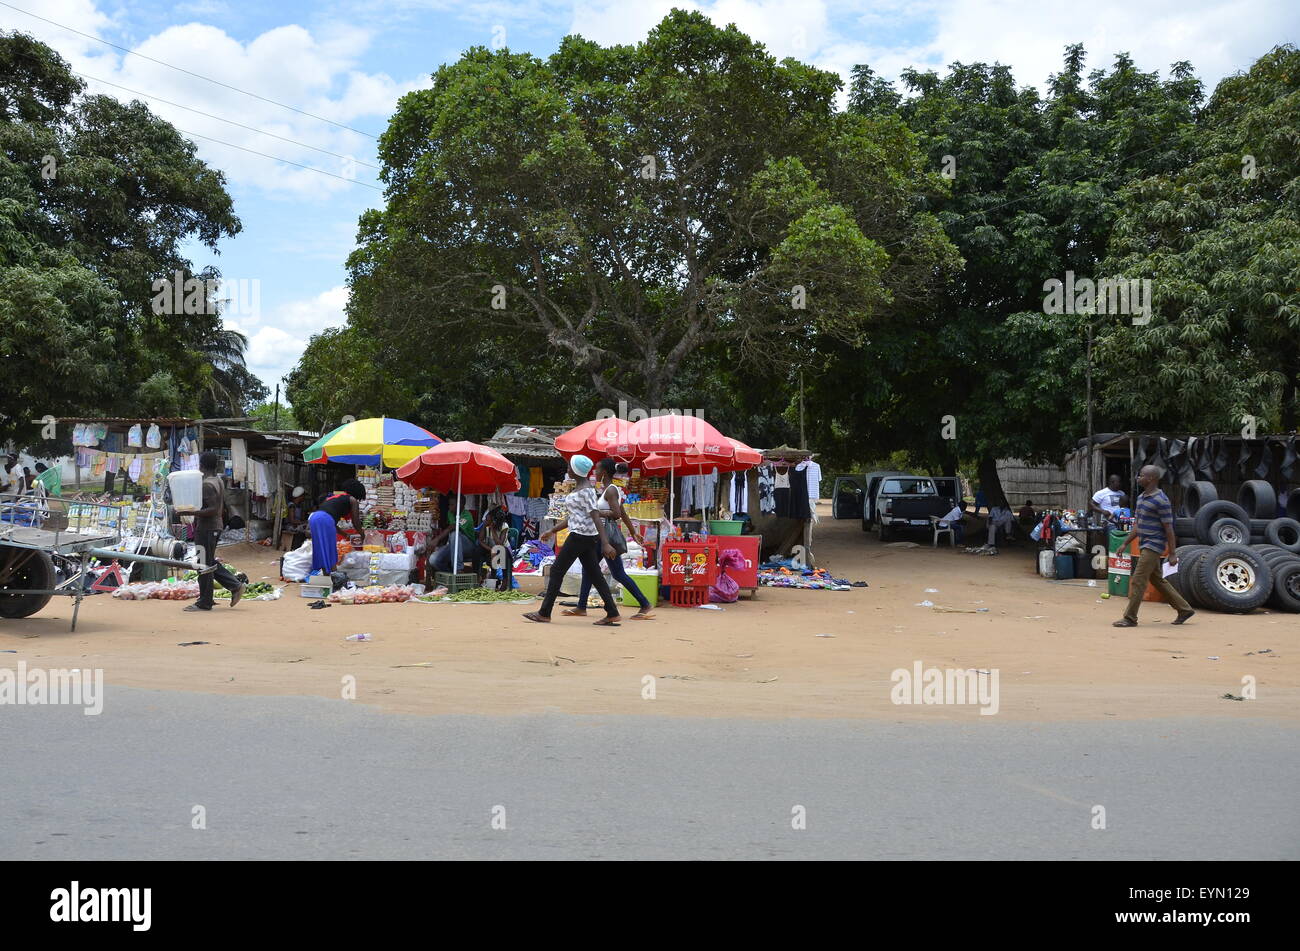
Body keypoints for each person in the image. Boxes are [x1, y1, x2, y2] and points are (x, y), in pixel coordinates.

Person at [523, 454, 621, 625]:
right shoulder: (581, 489)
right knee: (595, 575)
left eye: (569, 467)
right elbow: (574, 517)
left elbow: (596, 516)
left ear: (576, 470)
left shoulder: (586, 491)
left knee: (556, 571)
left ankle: (544, 612)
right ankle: (612, 612)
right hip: (585, 537)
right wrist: (552, 530)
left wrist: (605, 543)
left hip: (580, 537)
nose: (567, 470)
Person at [568, 458, 654, 619]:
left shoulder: (611, 490)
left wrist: (595, 513)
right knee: (590, 570)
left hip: (606, 539)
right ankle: (581, 606)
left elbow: (616, 514)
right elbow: (622, 512)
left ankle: (645, 604)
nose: (595, 472)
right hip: (602, 537)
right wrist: (633, 531)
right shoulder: (609, 489)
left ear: (605, 472)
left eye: (597, 469)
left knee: (617, 573)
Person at [1113, 465, 1194, 628]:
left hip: (1154, 545)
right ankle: (1184, 609)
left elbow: (1169, 528)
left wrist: (1172, 553)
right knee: (1157, 580)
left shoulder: (1161, 500)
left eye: (1141, 475)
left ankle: (1130, 618)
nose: (1138, 478)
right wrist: (1125, 543)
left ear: (1151, 478)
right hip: (1144, 543)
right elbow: (1138, 524)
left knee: (1137, 580)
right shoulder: (1142, 497)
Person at [183, 452, 244, 612]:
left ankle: (213, 597)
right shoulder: (218, 480)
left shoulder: (207, 484)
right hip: (213, 527)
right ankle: (209, 597)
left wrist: (190, 512)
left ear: (201, 466)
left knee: (204, 563)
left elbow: (212, 509)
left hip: (207, 529)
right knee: (206, 562)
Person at [308, 479, 365, 576]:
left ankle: (326, 572)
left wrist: (345, 534)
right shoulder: (352, 500)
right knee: (330, 547)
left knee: (320, 547)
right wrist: (362, 534)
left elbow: (332, 522)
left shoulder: (336, 497)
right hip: (325, 519)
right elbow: (356, 521)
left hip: (314, 517)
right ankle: (332, 574)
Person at [478, 505, 514, 591]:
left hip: (504, 551)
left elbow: (500, 544)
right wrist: (483, 526)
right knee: (477, 550)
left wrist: (493, 530)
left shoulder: (504, 526)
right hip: (491, 550)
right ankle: (479, 576)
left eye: (487, 519)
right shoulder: (486, 525)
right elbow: (480, 541)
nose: (485, 520)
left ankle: (504, 580)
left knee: (500, 550)